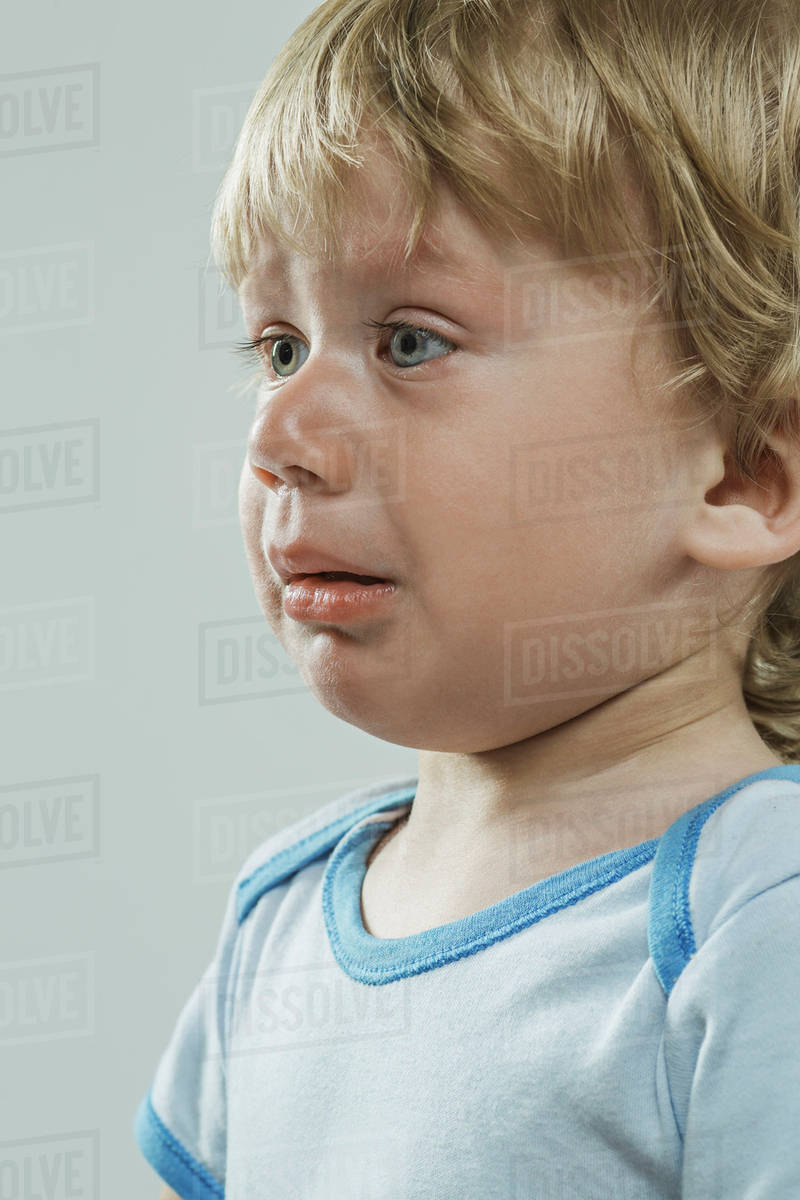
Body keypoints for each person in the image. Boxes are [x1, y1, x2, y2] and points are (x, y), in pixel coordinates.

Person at [135, 0, 800, 1195]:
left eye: (409, 343)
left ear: (746, 470)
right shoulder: (280, 914)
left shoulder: (756, 911)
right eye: (277, 346)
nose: (278, 435)